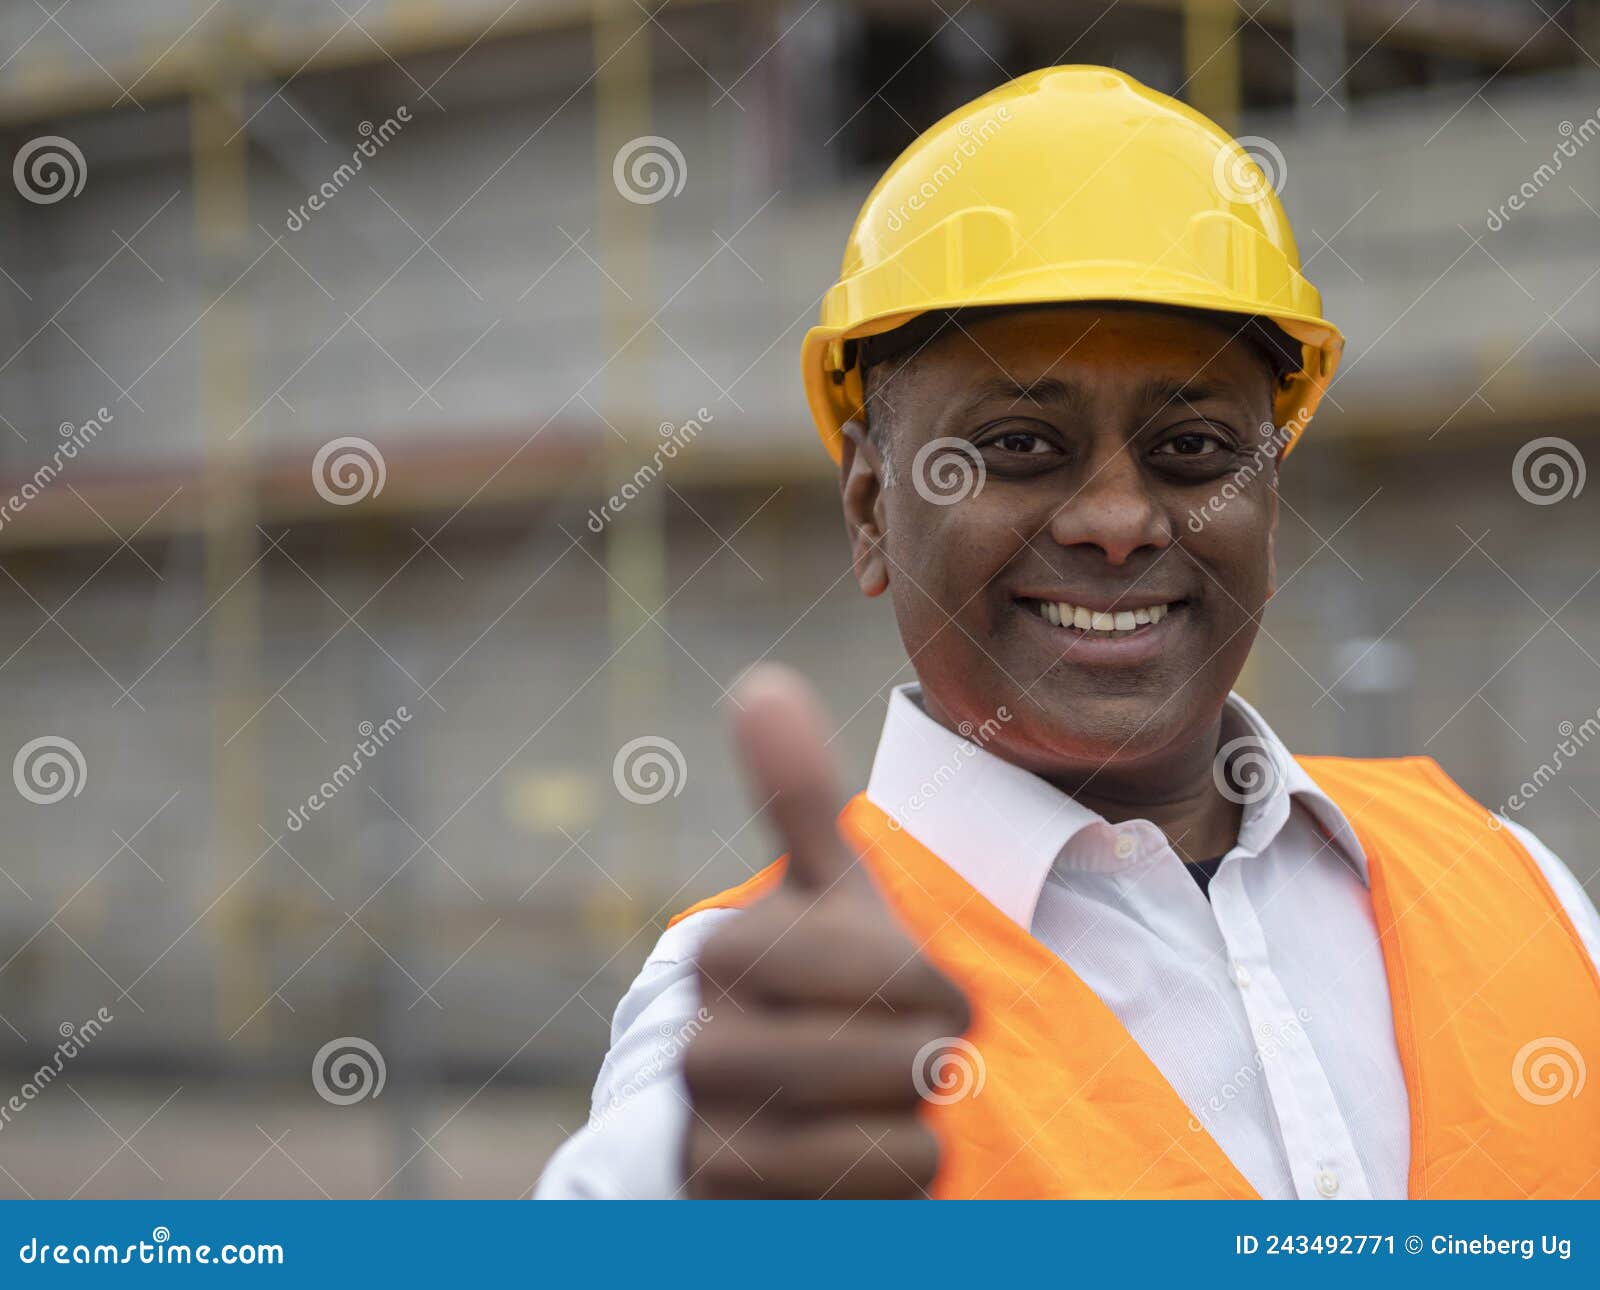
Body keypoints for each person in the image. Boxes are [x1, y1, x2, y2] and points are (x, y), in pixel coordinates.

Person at [537, 66, 1600, 1199]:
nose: (1118, 520)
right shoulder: (768, 1018)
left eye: (1191, 449)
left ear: (1267, 502)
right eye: (1016, 445)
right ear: (870, 509)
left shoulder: (1509, 877)